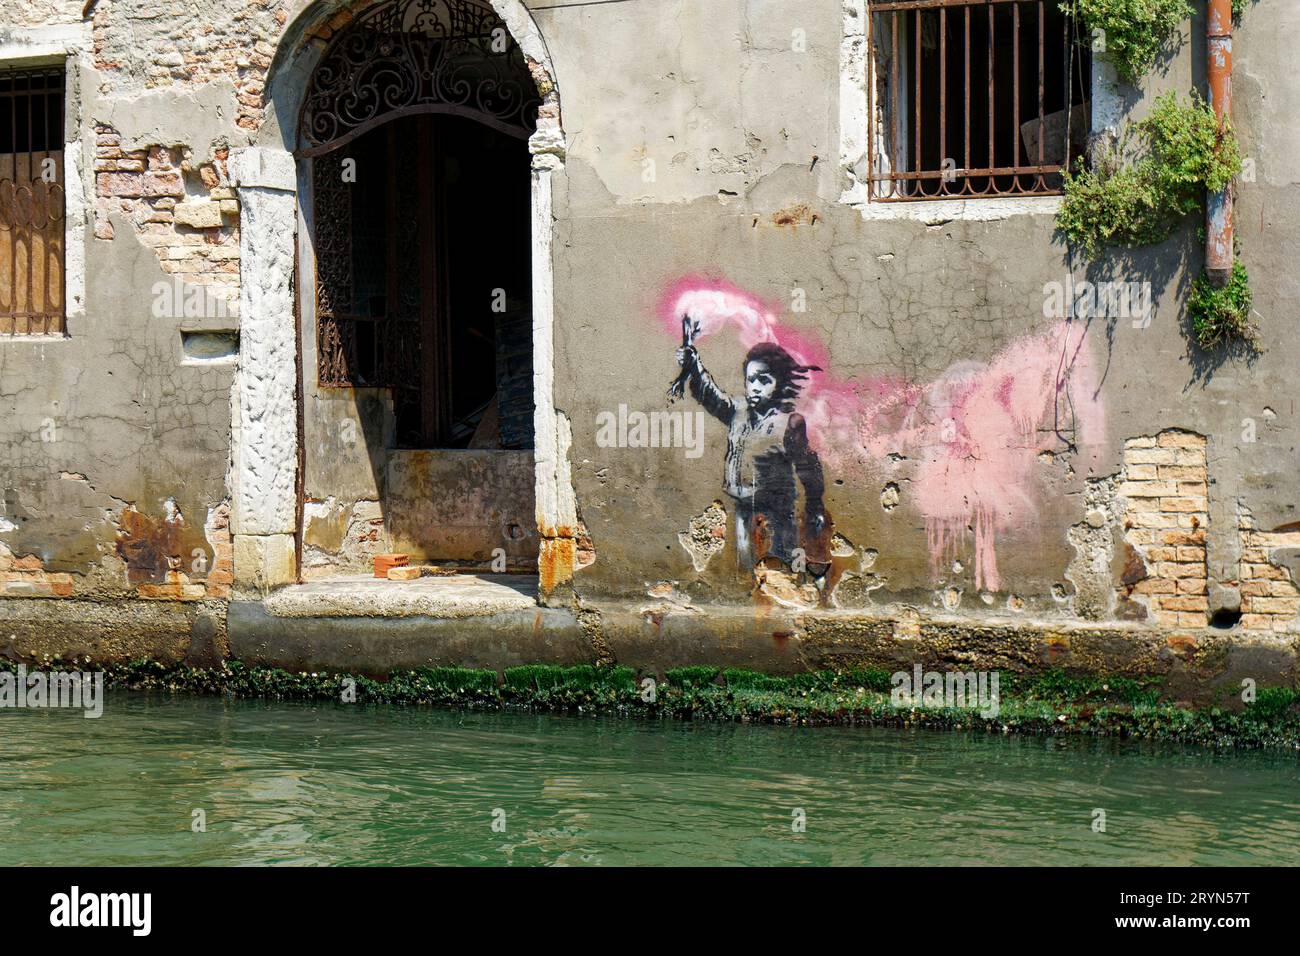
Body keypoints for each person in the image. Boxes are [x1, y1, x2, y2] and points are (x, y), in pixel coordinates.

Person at [673, 322, 830, 571]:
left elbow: (807, 466)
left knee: (782, 560)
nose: (755, 387)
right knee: (745, 563)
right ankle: (751, 589)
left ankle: (785, 596)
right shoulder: (738, 411)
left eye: (763, 380)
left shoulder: (789, 422)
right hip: (744, 504)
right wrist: (694, 365)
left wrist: (815, 504)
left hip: (778, 510)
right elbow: (709, 395)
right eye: (750, 380)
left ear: (779, 383)